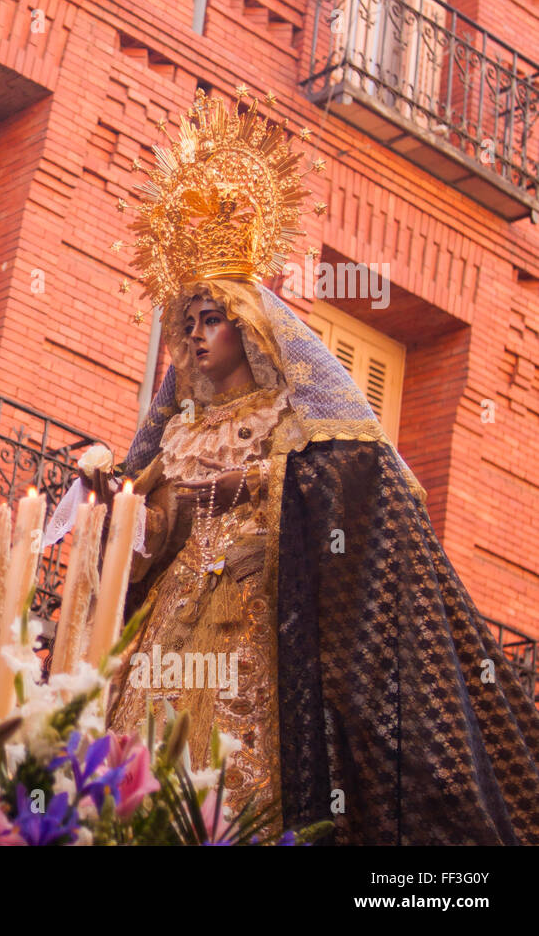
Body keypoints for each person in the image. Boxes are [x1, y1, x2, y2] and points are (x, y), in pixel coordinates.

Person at [78, 90, 539, 844]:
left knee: (237, 790)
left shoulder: (294, 419)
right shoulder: (179, 433)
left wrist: (251, 487)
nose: (196, 336)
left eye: (212, 318)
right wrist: (120, 504)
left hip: (260, 619)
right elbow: (146, 550)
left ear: (250, 324)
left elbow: (361, 481)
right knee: (139, 777)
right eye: (185, 322)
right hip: (173, 629)